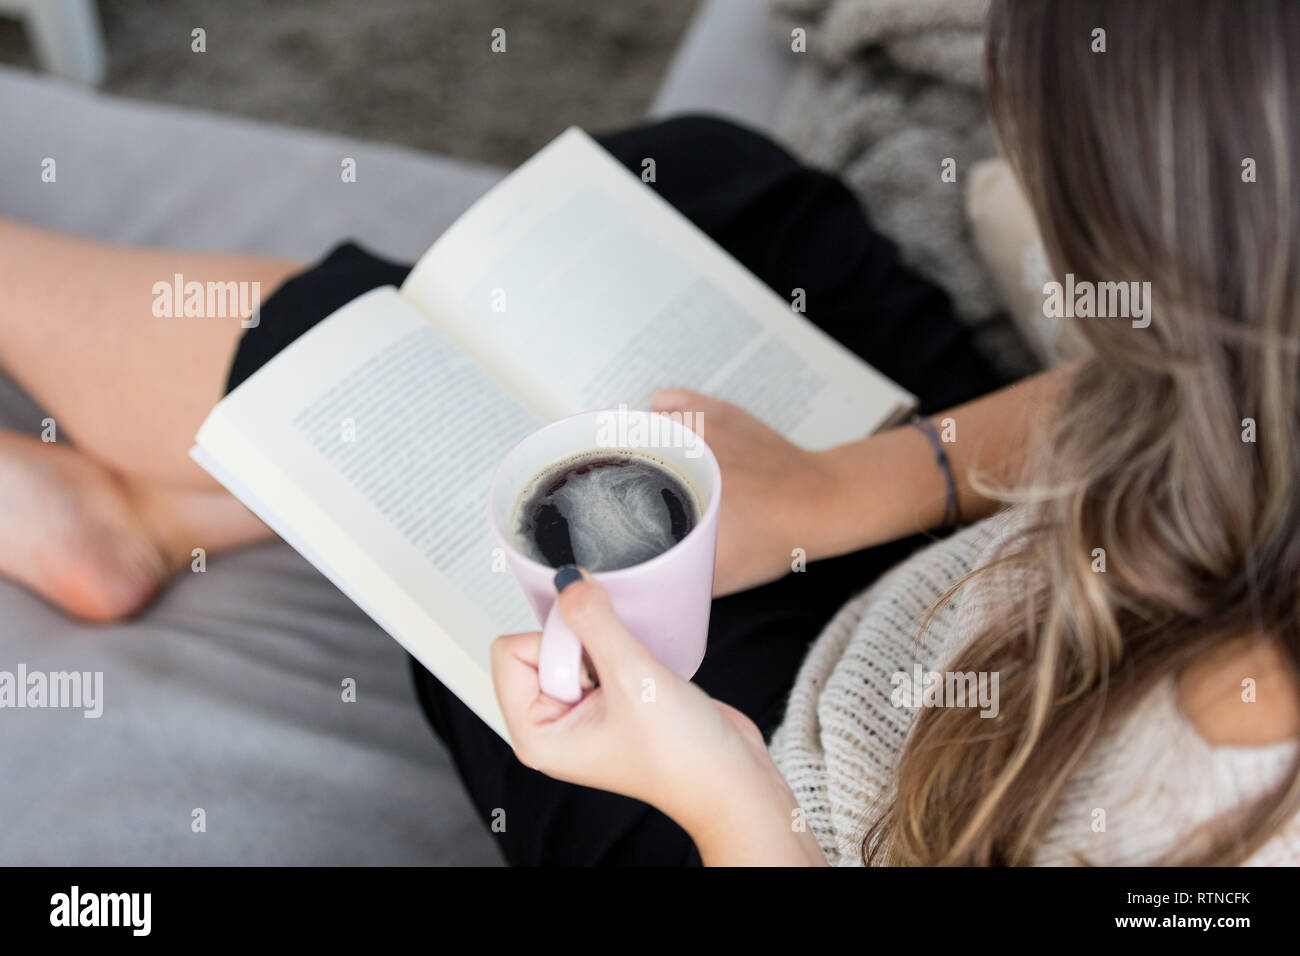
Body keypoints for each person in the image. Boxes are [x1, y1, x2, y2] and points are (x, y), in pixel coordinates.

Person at [1, 0, 1295, 866]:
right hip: (982, 586)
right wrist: (849, 488)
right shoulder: (1243, 349)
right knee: (711, 186)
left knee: (356, 371)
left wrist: (717, 791)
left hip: (810, 805)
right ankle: (165, 511)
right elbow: (1178, 384)